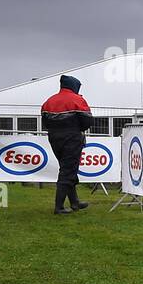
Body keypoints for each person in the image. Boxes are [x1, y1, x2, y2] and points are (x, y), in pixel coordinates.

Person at [41, 74, 94, 214]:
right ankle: (59, 207)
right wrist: (77, 129)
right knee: (67, 171)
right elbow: (88, 121)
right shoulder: (77, 100)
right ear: (74, 86)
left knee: (67, 168)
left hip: (54, 138)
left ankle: (75, 202)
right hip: (72, 138)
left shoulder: (49, 101)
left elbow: (45, 122)